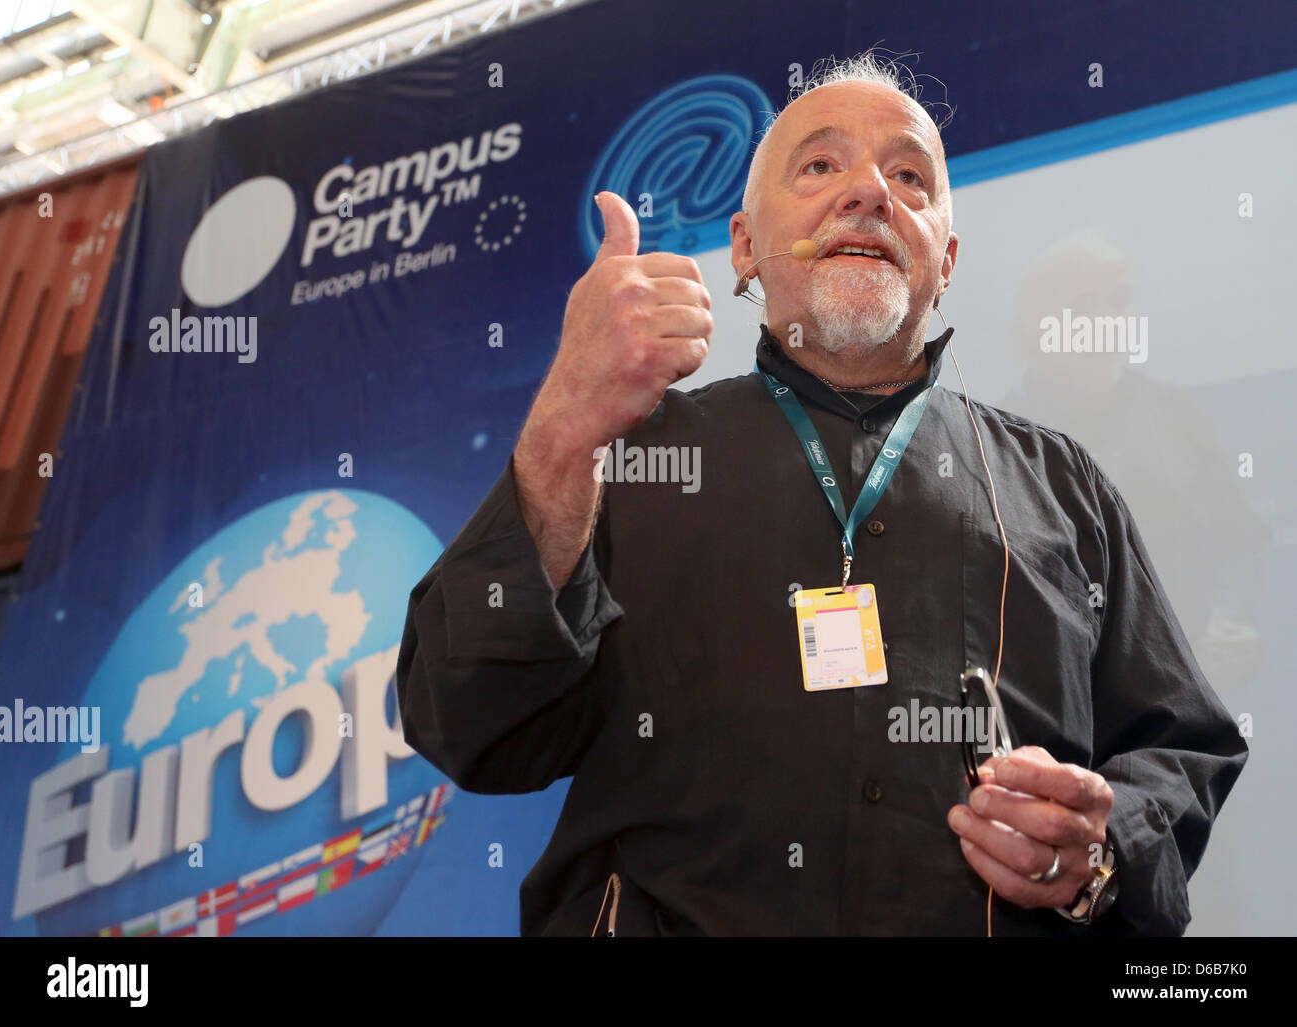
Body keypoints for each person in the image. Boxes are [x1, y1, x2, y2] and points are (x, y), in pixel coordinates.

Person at [395, 52, 1247, 936]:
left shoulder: (1065, 489)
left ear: (944, 259)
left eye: (909, 175)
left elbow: (1184, 746)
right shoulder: (620, 461)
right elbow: (465, 721)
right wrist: (565, 426)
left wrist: (1100, 853)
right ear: (744, 248)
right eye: (820, 165)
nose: (869, 192)